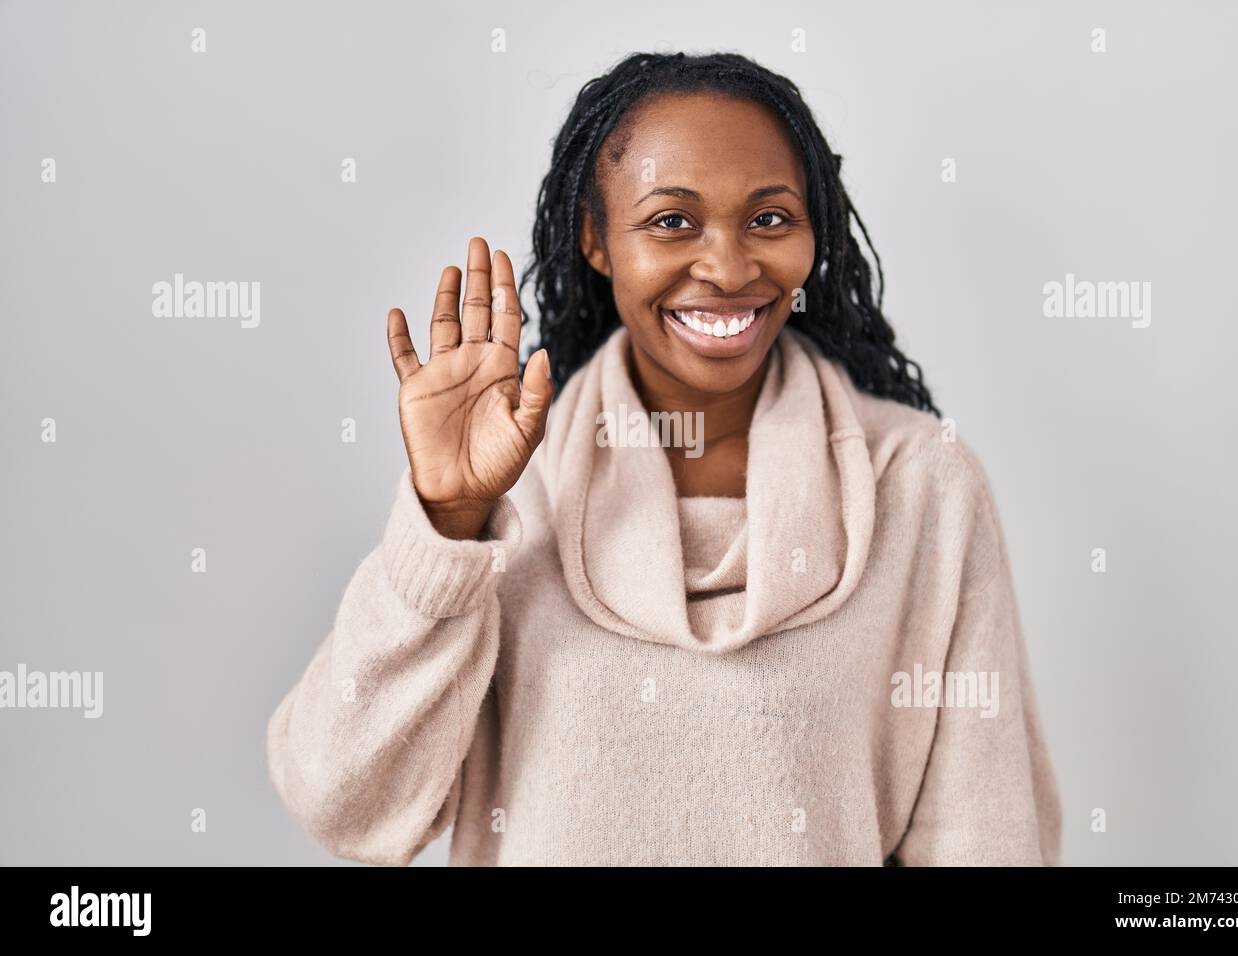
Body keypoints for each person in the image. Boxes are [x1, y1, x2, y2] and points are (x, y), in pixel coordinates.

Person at [266, 51, 1062, 866]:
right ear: (597, 240)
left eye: (770, 219)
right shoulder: (513, 490)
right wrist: (446, 520)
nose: (728, 268)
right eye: (673, 222)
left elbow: (985, 838)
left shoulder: (920, 484)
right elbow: (344, 804)